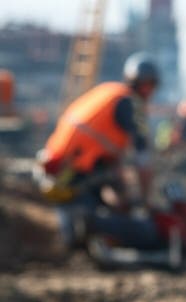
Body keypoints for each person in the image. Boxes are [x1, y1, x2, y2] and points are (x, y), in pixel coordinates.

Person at [39, 52, 161, 249]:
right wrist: (144, 203)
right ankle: (91, 226)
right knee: (143, 232)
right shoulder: (131, 104)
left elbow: (109, 156)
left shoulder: (107, 92)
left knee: (75, 227)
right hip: (76, 174)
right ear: (146, 86)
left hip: (57, 169)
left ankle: (81, 229)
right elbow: (143, 158)